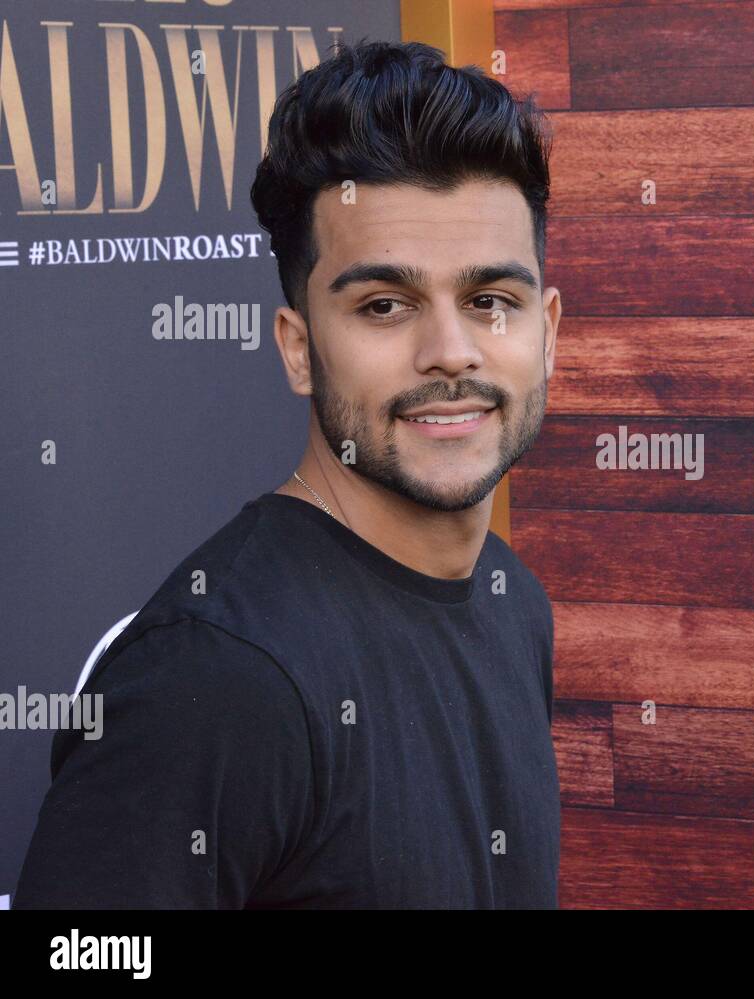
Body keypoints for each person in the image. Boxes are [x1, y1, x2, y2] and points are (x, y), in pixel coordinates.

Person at [15, 39, 562, 908]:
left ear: (549, 329)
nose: (451, 352)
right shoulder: (217, 677)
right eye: (385, 306)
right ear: (299, 347)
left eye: (492, 300)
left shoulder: (512, 601)